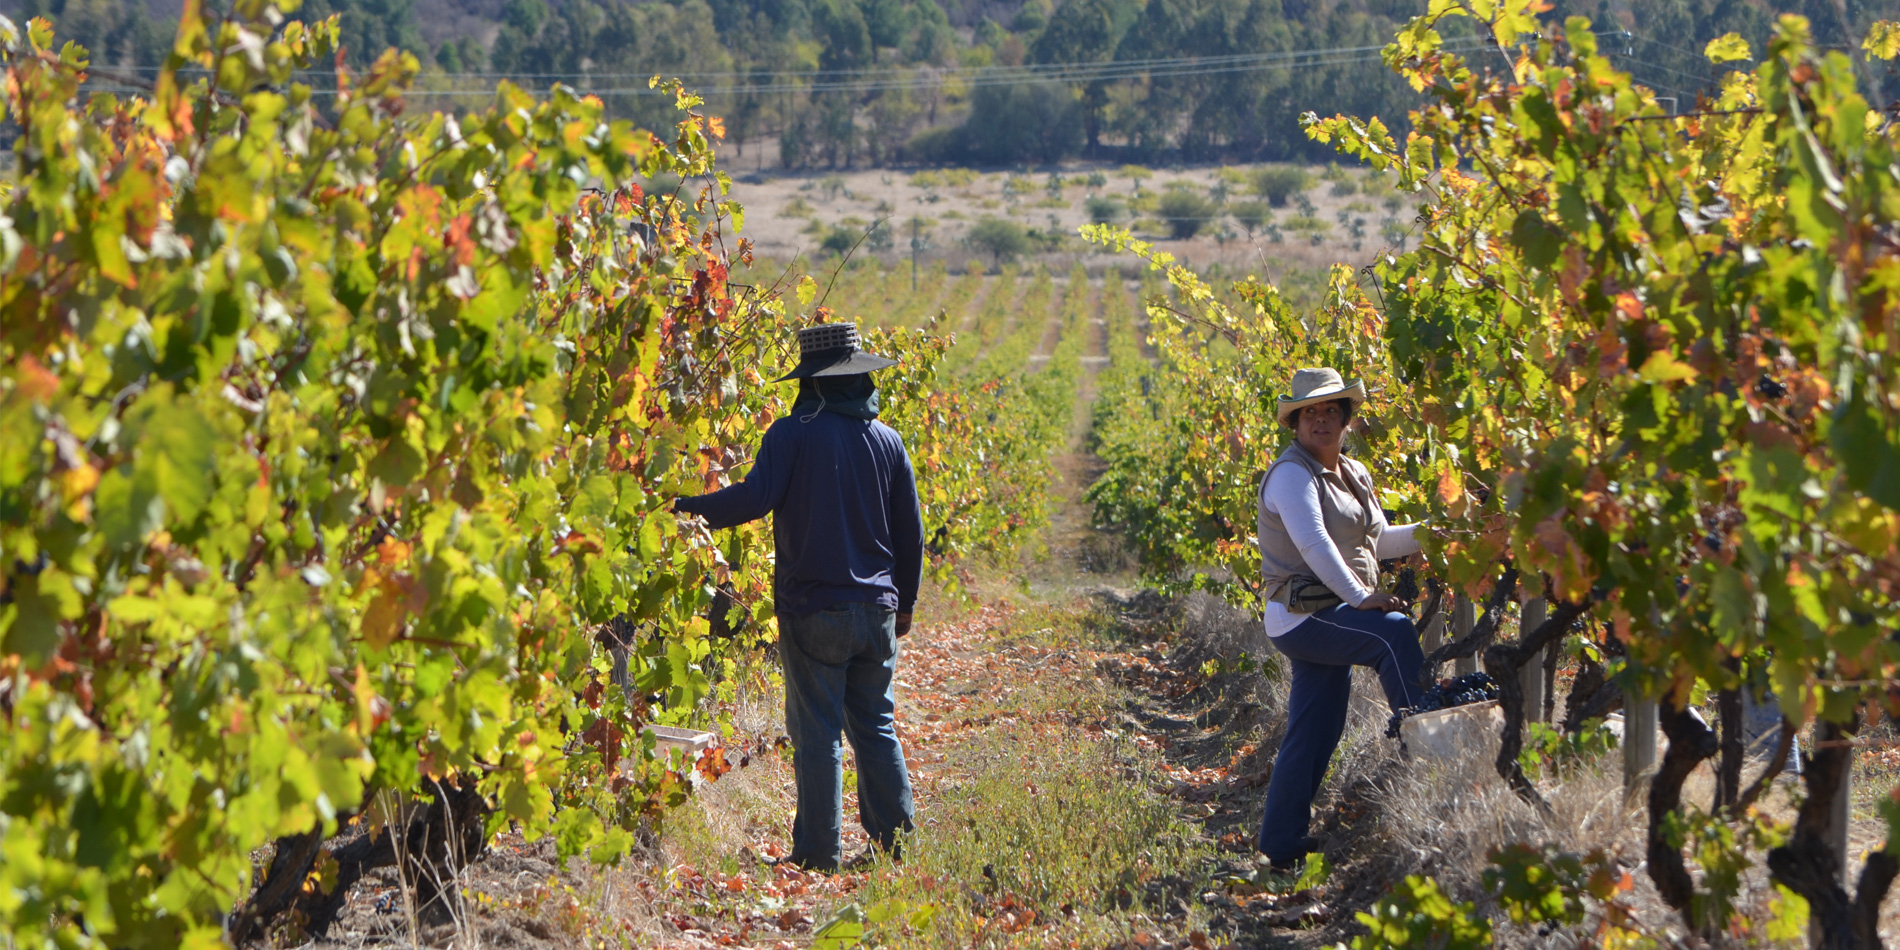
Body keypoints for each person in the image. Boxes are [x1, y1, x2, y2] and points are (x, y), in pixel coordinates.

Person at [674, 323, 923, 873]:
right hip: (878, 610)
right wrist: (902, 605)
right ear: (858, 378)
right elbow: (911, 532)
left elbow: (754, 500)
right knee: (875, 723)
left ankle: (818, 853)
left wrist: (683, 511)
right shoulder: (888, 441)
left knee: (818, 732)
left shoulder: (789, 435)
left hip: (814, 609)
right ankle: (897, 846)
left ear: (811, 382)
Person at [1254, 367, 1426, 870]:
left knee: (1317, 726)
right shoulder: (1290, 475)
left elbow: (1383, 540)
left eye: (1332, 410)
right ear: (1296, 423)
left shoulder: (1354, 473)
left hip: (1330, 612)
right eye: (1311, 412)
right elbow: (1314, 543)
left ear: (1347, 419)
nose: (1322, 419)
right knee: (1392, 635)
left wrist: (1443, 531)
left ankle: (1281, 844)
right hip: (1302, 615)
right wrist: (1361, 596)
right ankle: (1432, 760)